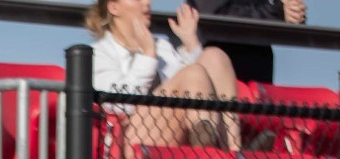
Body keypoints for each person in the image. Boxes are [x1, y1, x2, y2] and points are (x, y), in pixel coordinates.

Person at [88, 0, 239, 149]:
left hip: (172, 130)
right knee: (193, 73)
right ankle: (207, 156)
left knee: (215, 57)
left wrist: (191, 43)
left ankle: (232, 158)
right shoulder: (99, 53)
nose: (147, 2)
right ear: (114, 7)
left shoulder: (162, 46)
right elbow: (120, 106)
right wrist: (147, 56)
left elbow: (192, 84)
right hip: (126, 143)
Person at [193, 0, 307, 87]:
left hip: (256, 80)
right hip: (214, 80)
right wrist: (277, 12)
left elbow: (281, 11)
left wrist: (293, 11)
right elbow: (214, 14)